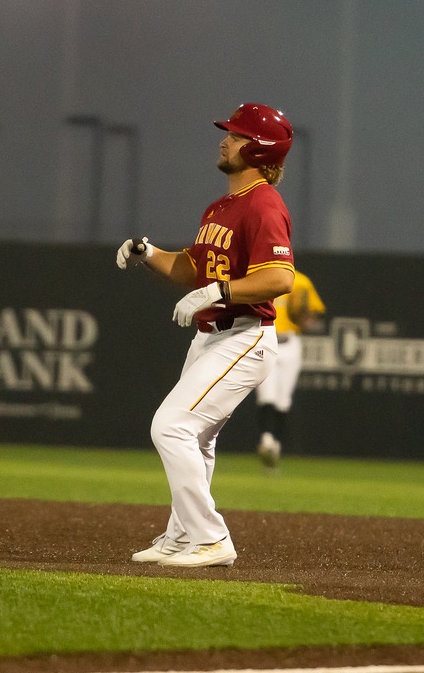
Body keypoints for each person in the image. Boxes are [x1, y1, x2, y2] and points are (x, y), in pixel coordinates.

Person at [115, 102, 295, 568]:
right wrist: (149, 252)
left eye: (236, 135)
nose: (225, 139)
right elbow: (191, 266)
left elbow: (279, 279)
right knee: (196, 440)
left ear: (258, 148)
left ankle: (211, 537)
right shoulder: (222, 205)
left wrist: (219, 290)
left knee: (170, 426)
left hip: (245, 335)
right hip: (211, 336)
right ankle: (180, 535)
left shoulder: (263, 204)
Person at [254, 271, 325, 471]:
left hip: (290, 343)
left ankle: (274, 445)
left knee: (283, 401)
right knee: (266, 395)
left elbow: (310, 319)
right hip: (265, 340)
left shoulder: (301, 281)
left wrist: (304, 317)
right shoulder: (260, 277)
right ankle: (267, 440)